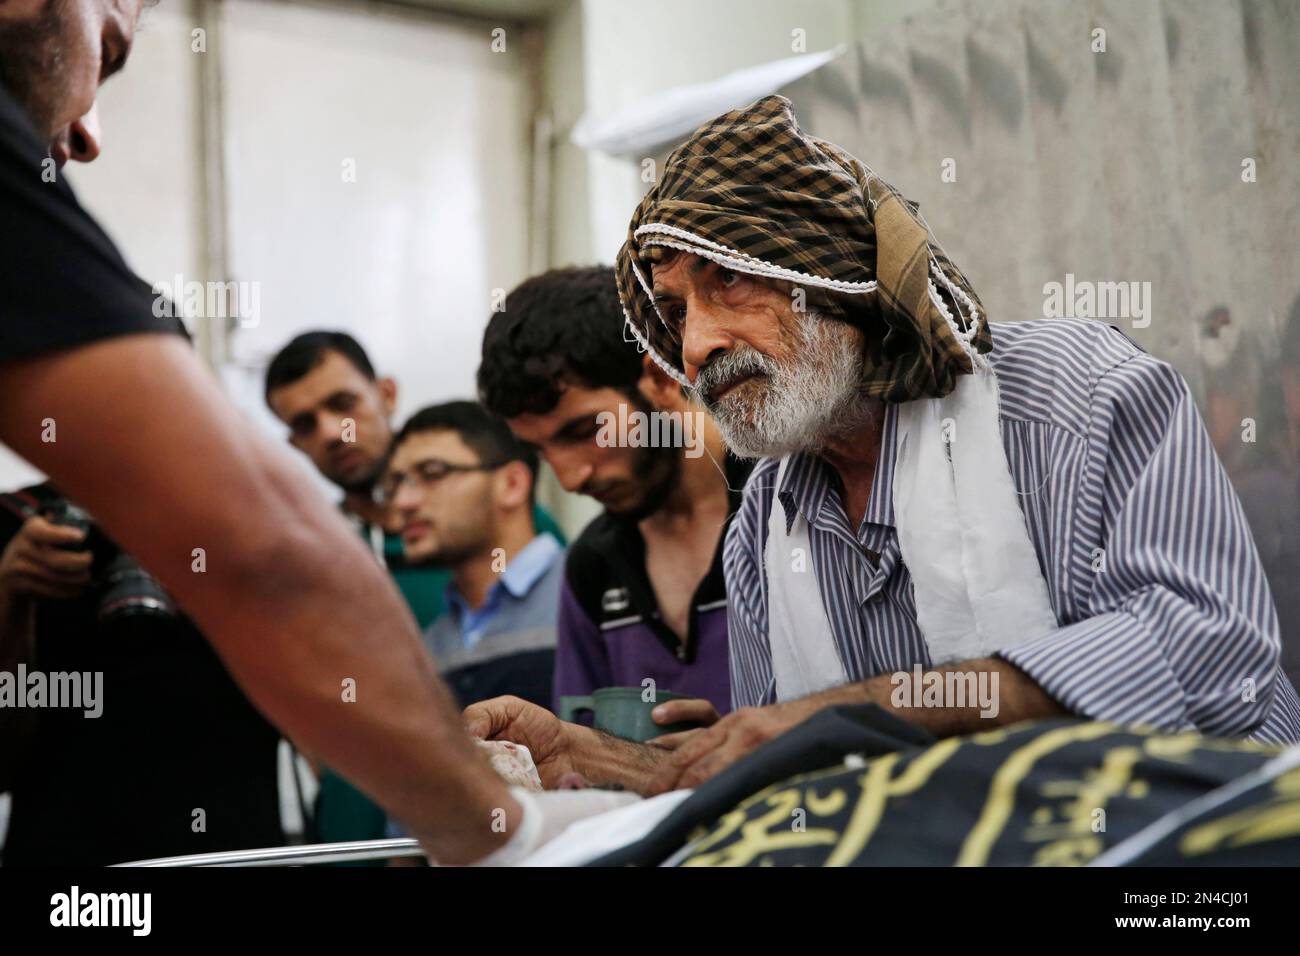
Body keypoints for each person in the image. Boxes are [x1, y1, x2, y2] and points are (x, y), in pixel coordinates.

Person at [466, 95, 1300, 796]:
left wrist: (858, 712)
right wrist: (621, 764)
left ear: (835, 271)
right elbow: (778, 767)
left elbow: (1211, 657)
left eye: (728, 280)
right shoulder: (767, 519)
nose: (694, 347)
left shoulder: (1075, 393)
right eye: (678, 311)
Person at [0, 0, 567, 866]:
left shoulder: (479, 568)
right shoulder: (45, 534)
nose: (89, 140)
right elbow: (261, 555)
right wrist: (514, 837)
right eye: (109, 49)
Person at [263, 331, 567, 848]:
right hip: (357, 838)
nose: (333, 433)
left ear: (385, 394)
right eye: (304, 424)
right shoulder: (306, 561)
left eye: (343, 404)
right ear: (293, 445)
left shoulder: (506, 535)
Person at [478, 266, 745, 728]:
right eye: (541, 449)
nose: (569, 478)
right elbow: (581, 758)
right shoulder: (591, 568)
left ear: (660, 379)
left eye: (584, 431)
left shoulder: (796, 503)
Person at [0, 483, 283, 865]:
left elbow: (325, 733)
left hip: (235, 848)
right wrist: (9, 600)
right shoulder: (19, 526)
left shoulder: (251, 519)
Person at [383, 402, 561, 710]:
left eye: (432, 473)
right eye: (395, 484)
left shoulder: (597, 592)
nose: (403, 501)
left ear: (512, 484)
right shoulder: (431, 646)